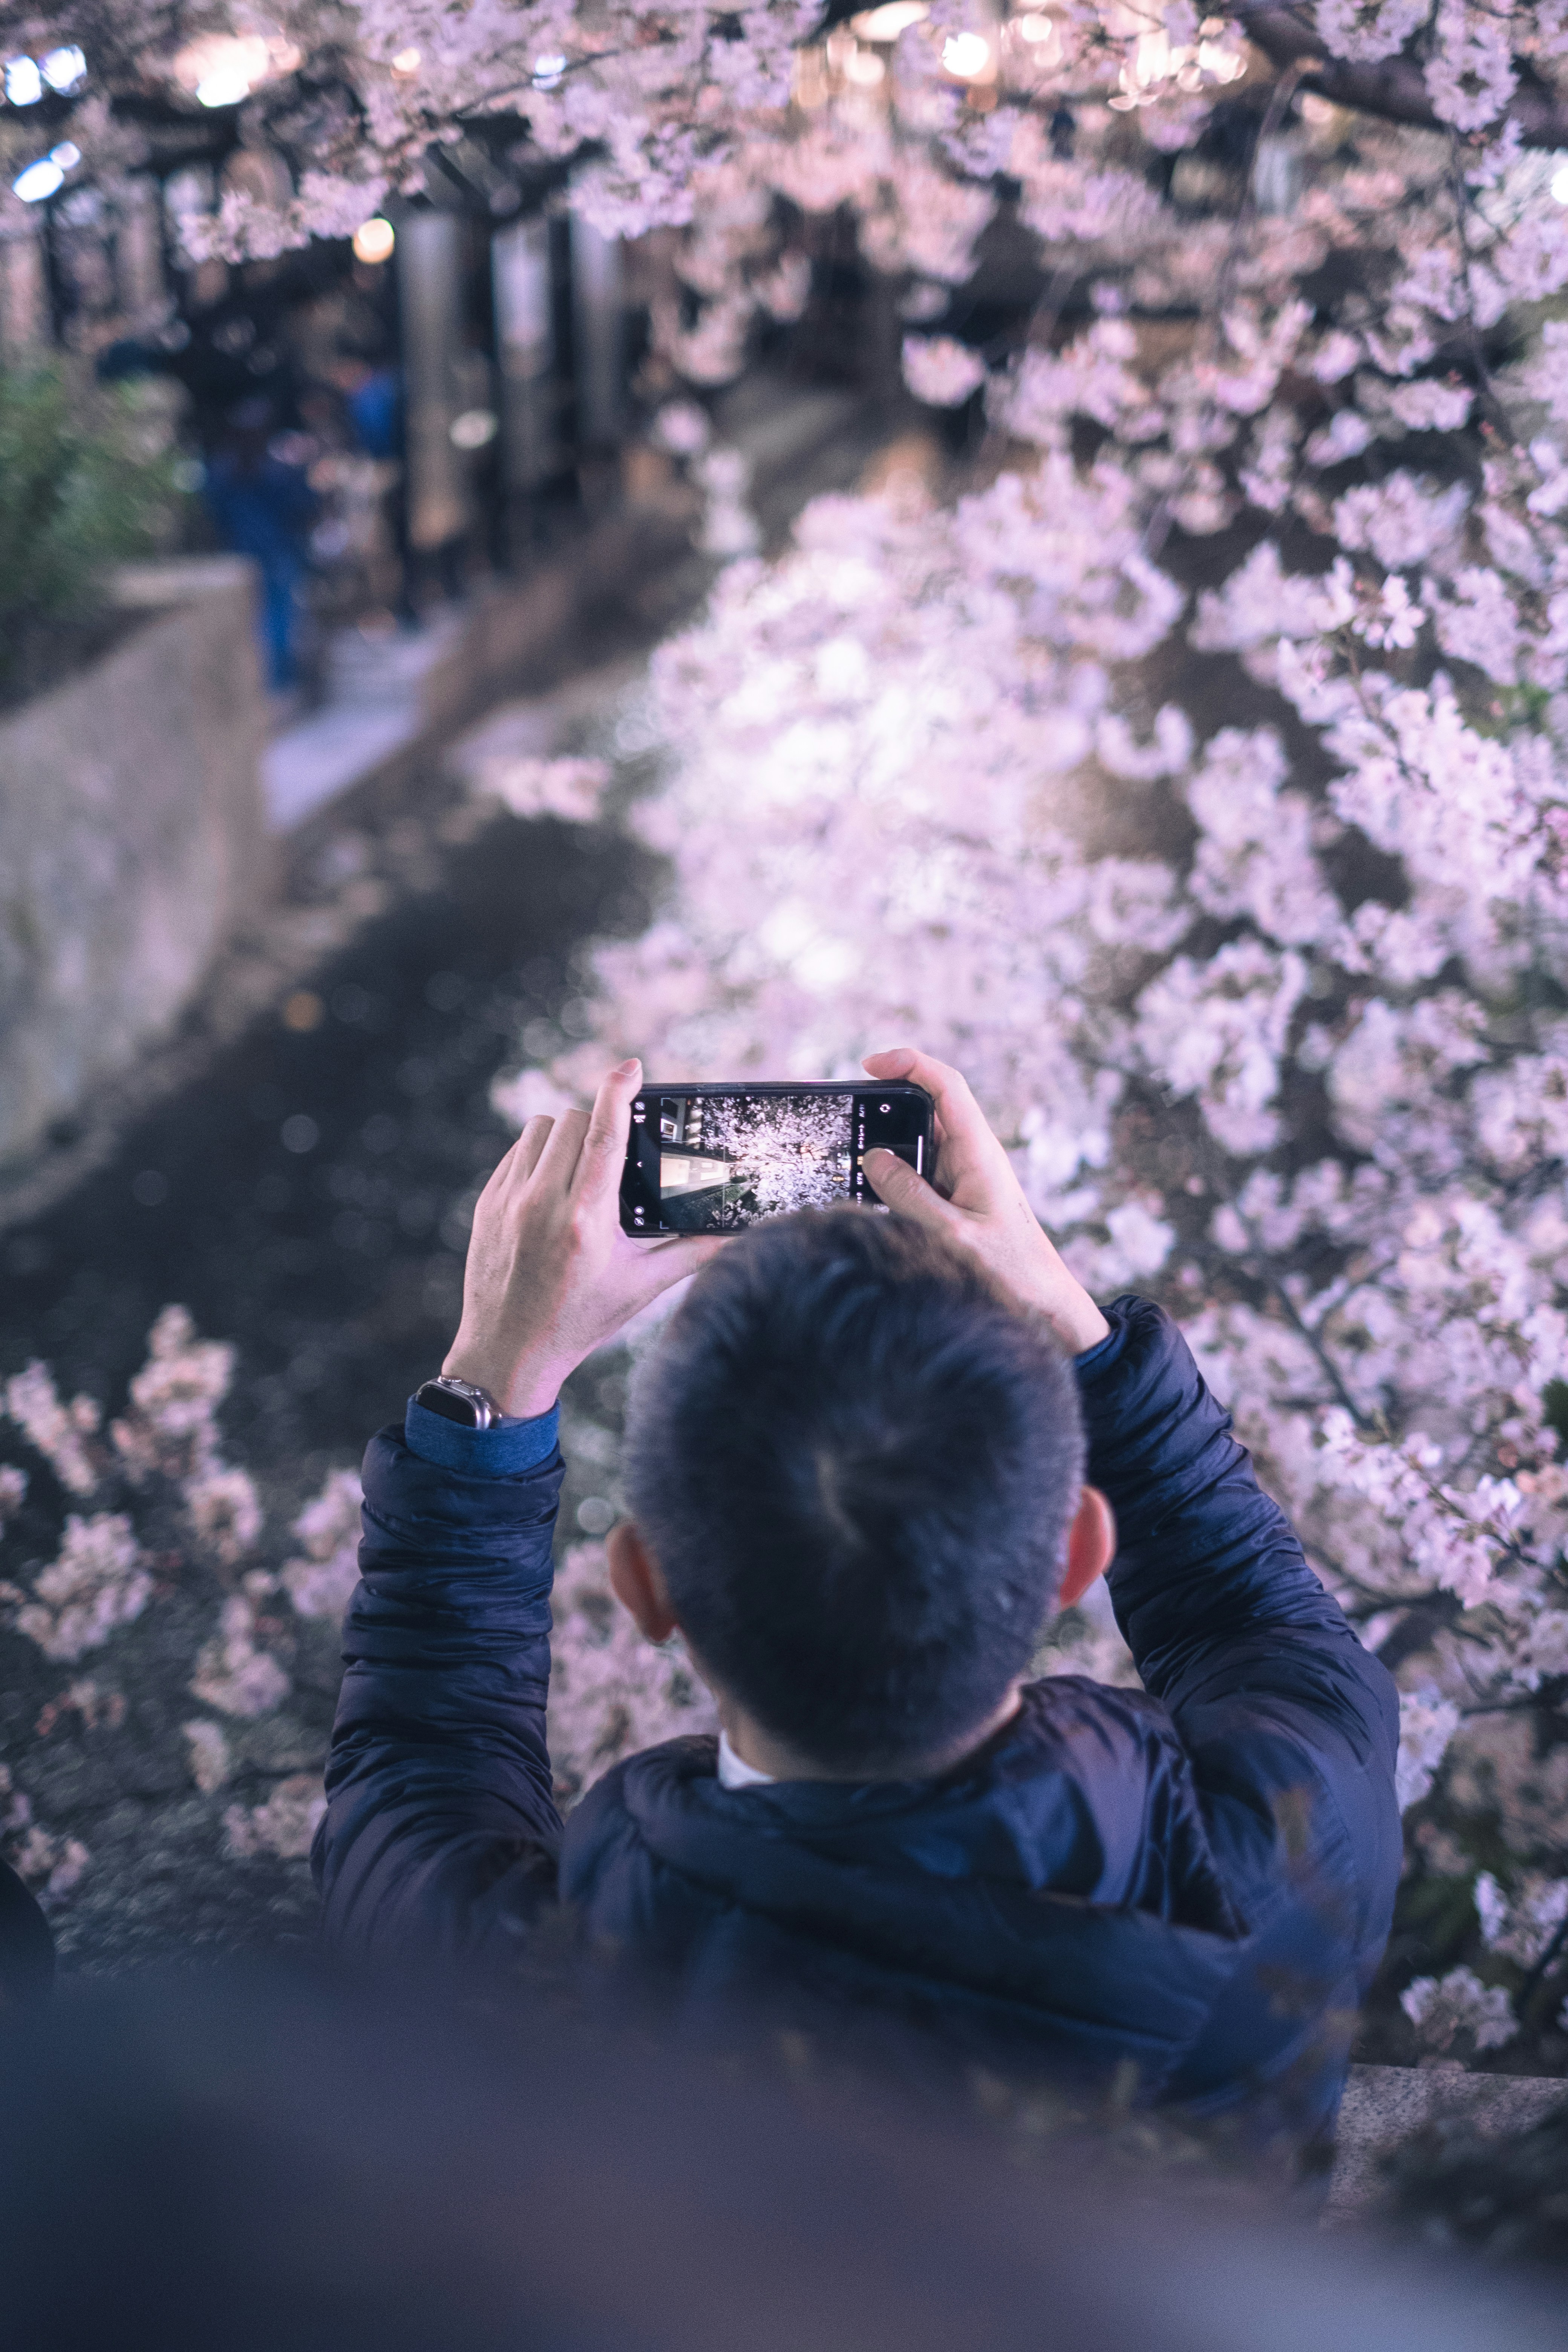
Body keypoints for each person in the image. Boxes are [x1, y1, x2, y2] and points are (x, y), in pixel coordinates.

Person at [315, 1047, 1401, 2158]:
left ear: (647, 1586)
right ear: (1076, 1552)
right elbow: (1255, 1621)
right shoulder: (1292, 1855)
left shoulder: (541, 1998)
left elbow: (415, 1770)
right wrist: (1068, 1313)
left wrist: (495, 1380)